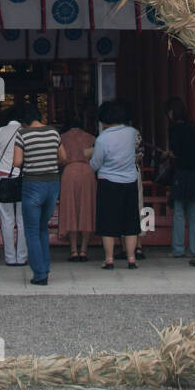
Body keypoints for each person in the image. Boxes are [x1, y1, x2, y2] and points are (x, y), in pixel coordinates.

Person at [13, 111, 67, 285]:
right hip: (52, 183)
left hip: (32, 184)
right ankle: (45, 266)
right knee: (43, 227)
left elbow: (17, 162)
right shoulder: (53, 132)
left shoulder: (22, 134)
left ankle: (40, 274)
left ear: (25, 122)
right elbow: (63, 157)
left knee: (32, 231)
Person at [88, 99, 141, 269]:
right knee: (131, 222)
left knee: (108, 222)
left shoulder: (102, 139)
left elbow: (96, 162)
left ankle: (109, 259)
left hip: (108, 182)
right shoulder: (132, 133)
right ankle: (131, 258)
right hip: (130, 180)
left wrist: (89, 164)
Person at [165, 96, 195, 268]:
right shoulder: (193, 127)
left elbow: (176, 152)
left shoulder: (174, 128)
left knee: (179, 213)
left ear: (172, 112)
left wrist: (168, 154)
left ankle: (178, 248)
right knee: (193, 213)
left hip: (182, 174)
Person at [0, 109, 27, 266]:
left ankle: (10, 257)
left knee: (6, 218)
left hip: (3, 177)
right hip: (23, 176)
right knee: (23, 218)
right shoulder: (26, 131)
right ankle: (22, 256)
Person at [57, 113, 96, 260]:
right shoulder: (91, 137)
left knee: (70, 209)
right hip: (87, 172)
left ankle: (73, 250)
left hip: (70, 172)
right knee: (86, 208)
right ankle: (84, 250)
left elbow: (60, 159)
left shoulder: (62, 138)